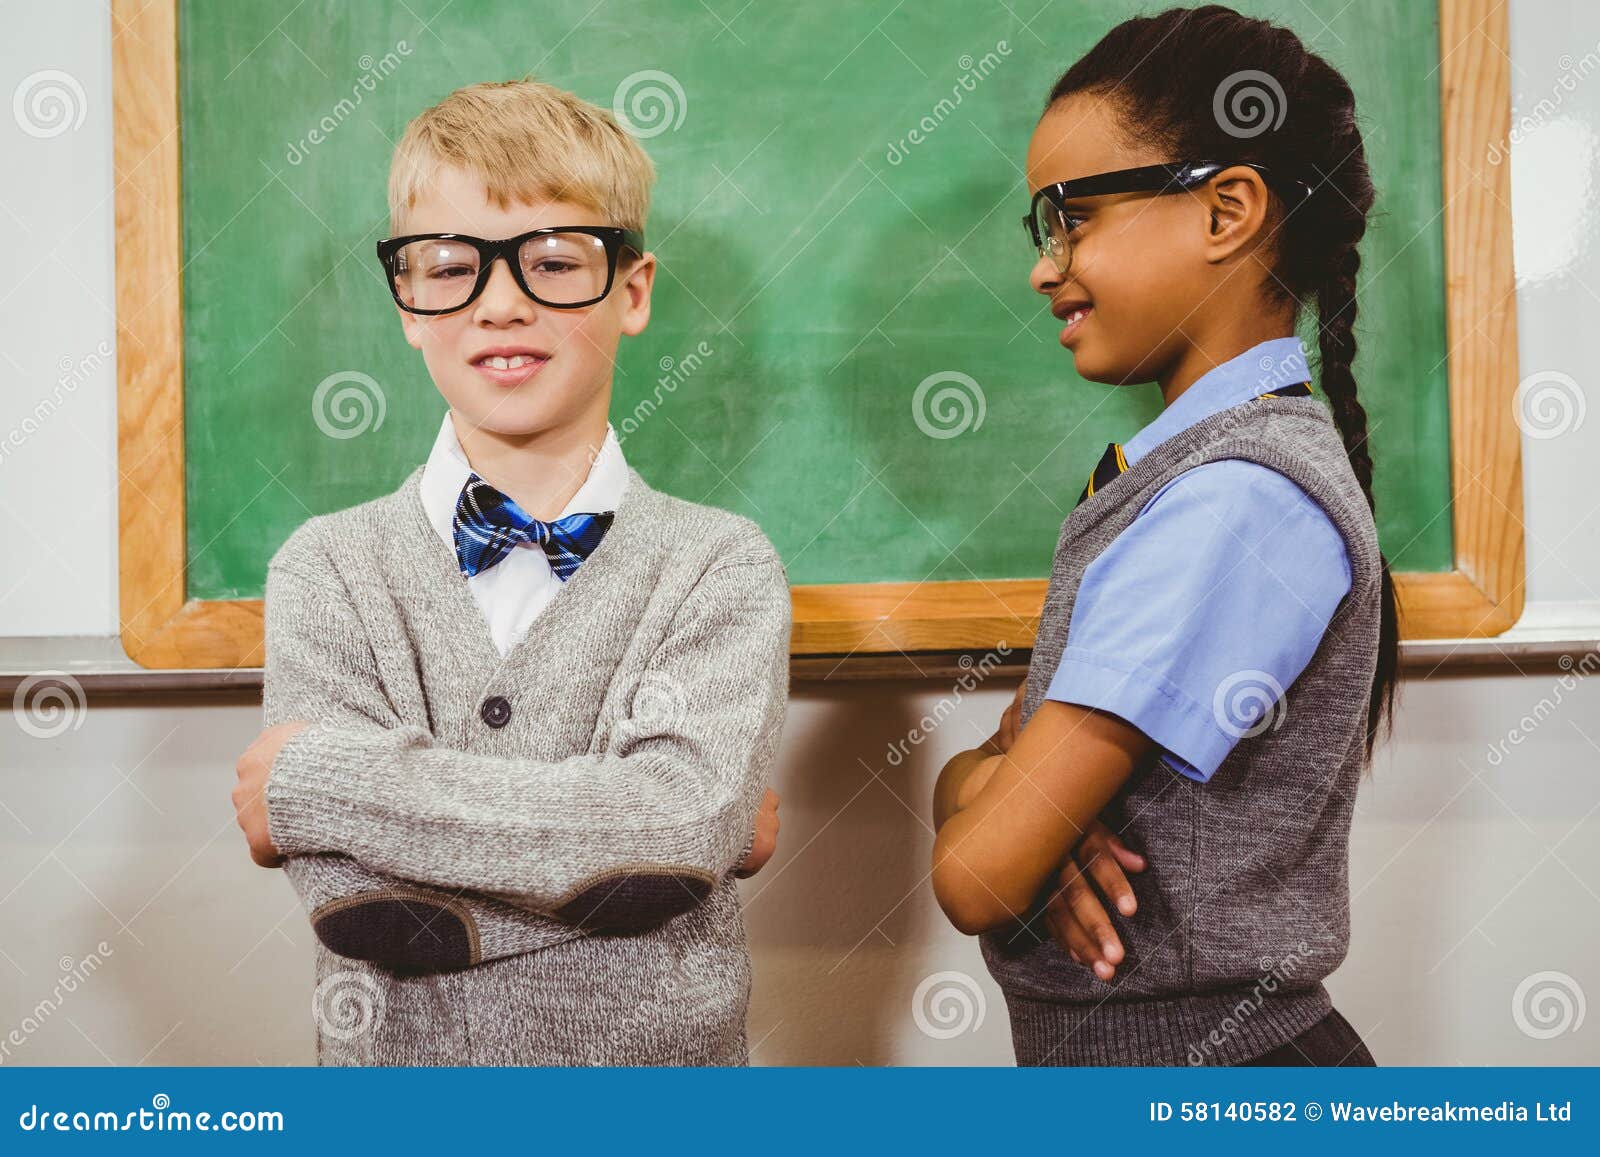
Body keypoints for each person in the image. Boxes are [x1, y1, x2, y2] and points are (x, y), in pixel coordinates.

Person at [231, 78, 789, 1066]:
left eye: (553, 262)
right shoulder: (326, 569)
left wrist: (319, 783)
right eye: (452, 267)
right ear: (407, 302)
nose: (500, 304)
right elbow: (363, 911)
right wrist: (659, 845)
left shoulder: (719, 565)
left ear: (632, 290)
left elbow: (675, 833)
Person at [931, 5, 1391, 1067]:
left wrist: (1009, 801)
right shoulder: (1195, 479)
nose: (1044, 267)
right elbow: (982, 803)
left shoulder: (1235, 501)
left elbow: (974, 876)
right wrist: (1013, 796)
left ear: (1227, 210)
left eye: (1074, 217)